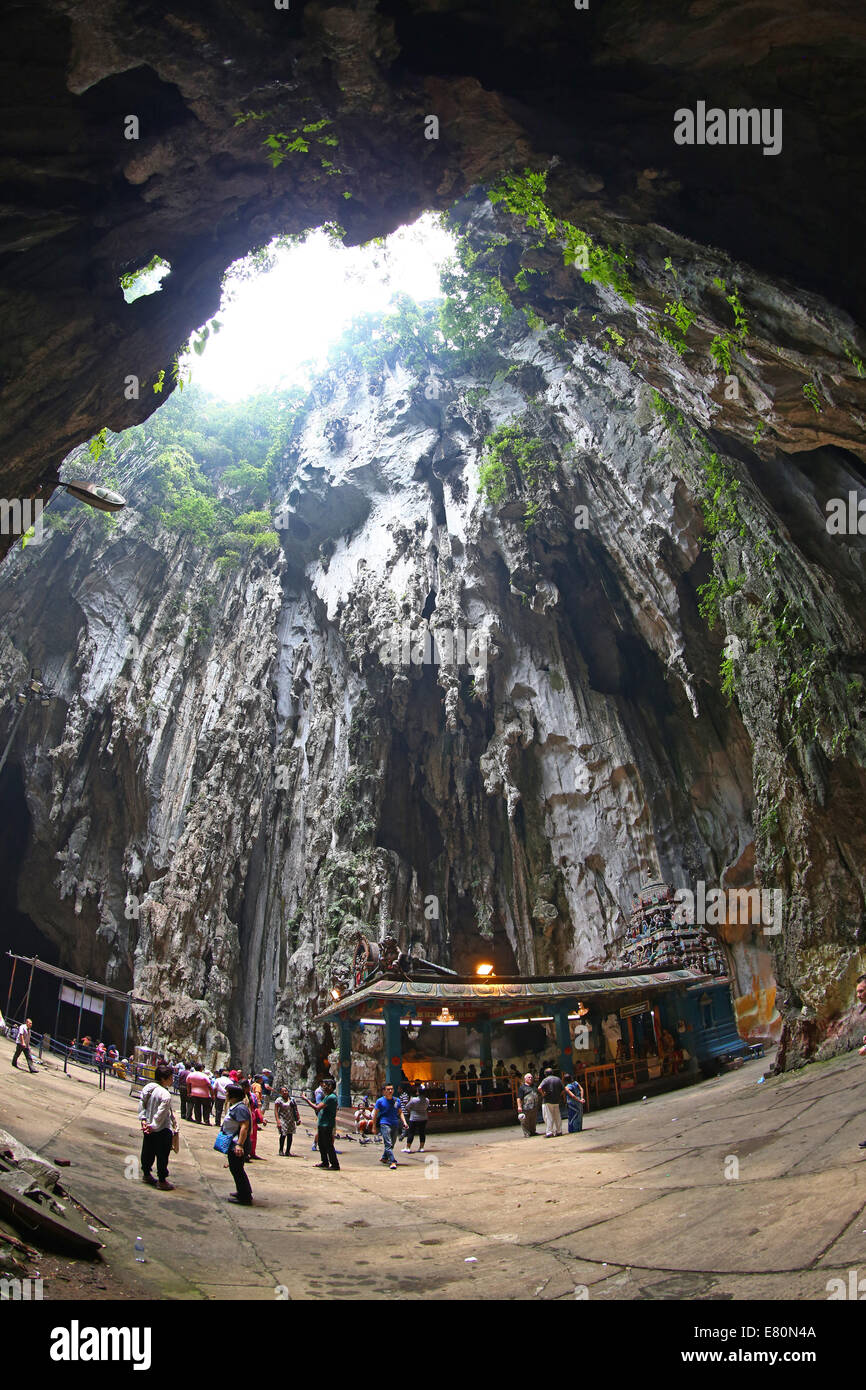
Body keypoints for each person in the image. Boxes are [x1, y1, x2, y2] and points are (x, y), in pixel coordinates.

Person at [138, 1062, 178, 1191]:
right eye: (170, 1078)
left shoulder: (148, 1087)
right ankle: (162, 1180)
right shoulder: (165, 1095)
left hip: (147, 1126)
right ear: (163, 1079)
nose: (172, 1080)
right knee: (162, 1155)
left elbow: (141, 1104)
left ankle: (146, 1174)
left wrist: (144, 1120)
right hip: (161, 1129)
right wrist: (154, 1125)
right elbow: (161, 1114)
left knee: (147, 1151)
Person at [219, 1083, 253, 1205]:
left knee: (237, 1170)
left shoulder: (240, 1108)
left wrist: (239, 1145)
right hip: (234, 1142)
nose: (226, 1094)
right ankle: (243, 1192)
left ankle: (245, 1197)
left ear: (233, 1095)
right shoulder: (236, 1106)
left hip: (237, 1143)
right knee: (236, 1169)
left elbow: (244, 1126)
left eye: (227, 1092)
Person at [303, 1079, 340, 1170]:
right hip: (323, 1123)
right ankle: (325, 1162)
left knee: (328, 1144)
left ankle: (335, 1164)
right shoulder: (327, 1096)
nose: (323, 1087)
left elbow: (317, 1108)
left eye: (325, 1085)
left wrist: (306, 1099)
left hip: (327, 1124)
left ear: (330, 1087)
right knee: (321, 1143)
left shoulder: (331, 1097)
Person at [372, 1082, 406, 1169]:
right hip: (384, 1123)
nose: (390, 1091)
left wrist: (404, 1122)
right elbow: (375, 1115)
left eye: (391, 1089)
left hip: (395, 1123)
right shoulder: (380, 1101)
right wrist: (374, 1126)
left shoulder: (397, 1100)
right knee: (388, 1143)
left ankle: (384, 1157)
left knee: (392, 1143)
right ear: (384, 1091)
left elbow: (400, 1112)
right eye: (388, 1089)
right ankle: (392, 1161)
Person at [402, 1085, 429, 1153]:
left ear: (418, 1092)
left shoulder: (414, 1100)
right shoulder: (427, 1100)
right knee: (422, 1133)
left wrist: (412, 1110)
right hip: (424, 1118)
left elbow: (407, 1107)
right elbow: (426, 1107)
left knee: (411, 1132)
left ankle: (408, 1147)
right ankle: (421, 1147)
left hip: (414, 1118)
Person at [538, 1067, 564, 1137]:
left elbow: (539, 1088)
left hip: (548, 1100)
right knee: (557, 1116)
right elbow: (563, 1089)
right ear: (552, 1072)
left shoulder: (545, 1080)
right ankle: (559, 1131)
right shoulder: (558, 1079)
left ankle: (549, 1132)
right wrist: (558, 1095)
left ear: (545, 1074)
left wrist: (543, 1094)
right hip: (556, 1100)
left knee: (549, 1117)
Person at [274, 1087, 300, 1155]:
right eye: (283, 1091)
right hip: (283, 1118)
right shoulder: (279, 1100)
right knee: (283, 1134)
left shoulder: (292, 1099)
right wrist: (278, 1121)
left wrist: (298, 1119)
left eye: (286, 1091)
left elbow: (296, 1109)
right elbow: (276, 1111)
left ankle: (288, 1151)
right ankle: (281, 1150)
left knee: (290, 1134)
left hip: (291, 1119)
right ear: (280, 1093)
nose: (285, 1092)